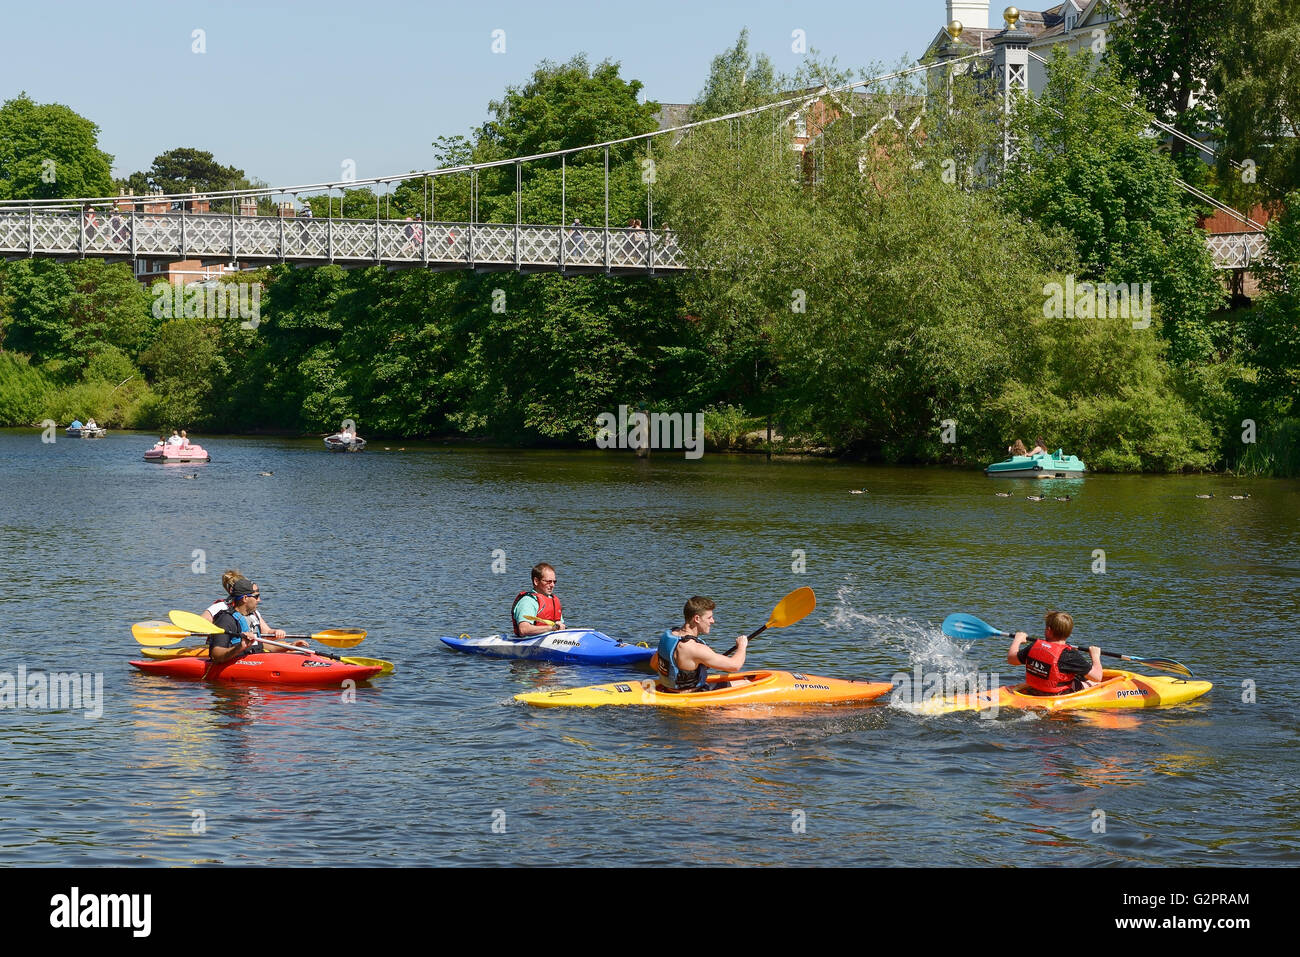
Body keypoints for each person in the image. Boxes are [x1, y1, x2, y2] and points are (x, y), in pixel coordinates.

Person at [649, 596, 748, 692]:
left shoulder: (668, 636)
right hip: (691, 695)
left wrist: (691, 668)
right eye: (709, 617)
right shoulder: (696, 648)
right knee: (746, 683)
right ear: (697, 618)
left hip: (667, 689)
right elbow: (735, 666)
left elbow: (653, 665)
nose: (713, 621)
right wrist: (742, 646)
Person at [1006, 611, 1102, 696]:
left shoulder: (1034, 646)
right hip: (1058, 695)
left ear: (1048, 630)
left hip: (1033, 691)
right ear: (1069, 633)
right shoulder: (1070, 655)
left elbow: (1011, 659)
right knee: (1094, 684)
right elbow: (1098, 677)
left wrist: (1017, 640)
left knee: (1077, 674)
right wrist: (1095, 656)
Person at [203, 568, 289, 643]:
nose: (259, 600)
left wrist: (276, 632)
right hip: (224, 649)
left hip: (248, 650)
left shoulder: (252, 611)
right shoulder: (220, 607)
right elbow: (200, 626)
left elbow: (266, 631)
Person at [511, 563, 564, 637]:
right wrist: (551, 628)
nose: (552, 585)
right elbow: (523, 629)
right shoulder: (528, 601)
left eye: (554, 582)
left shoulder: (553, 601)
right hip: (529, 643)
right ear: (536, 581)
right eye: (548, 582)